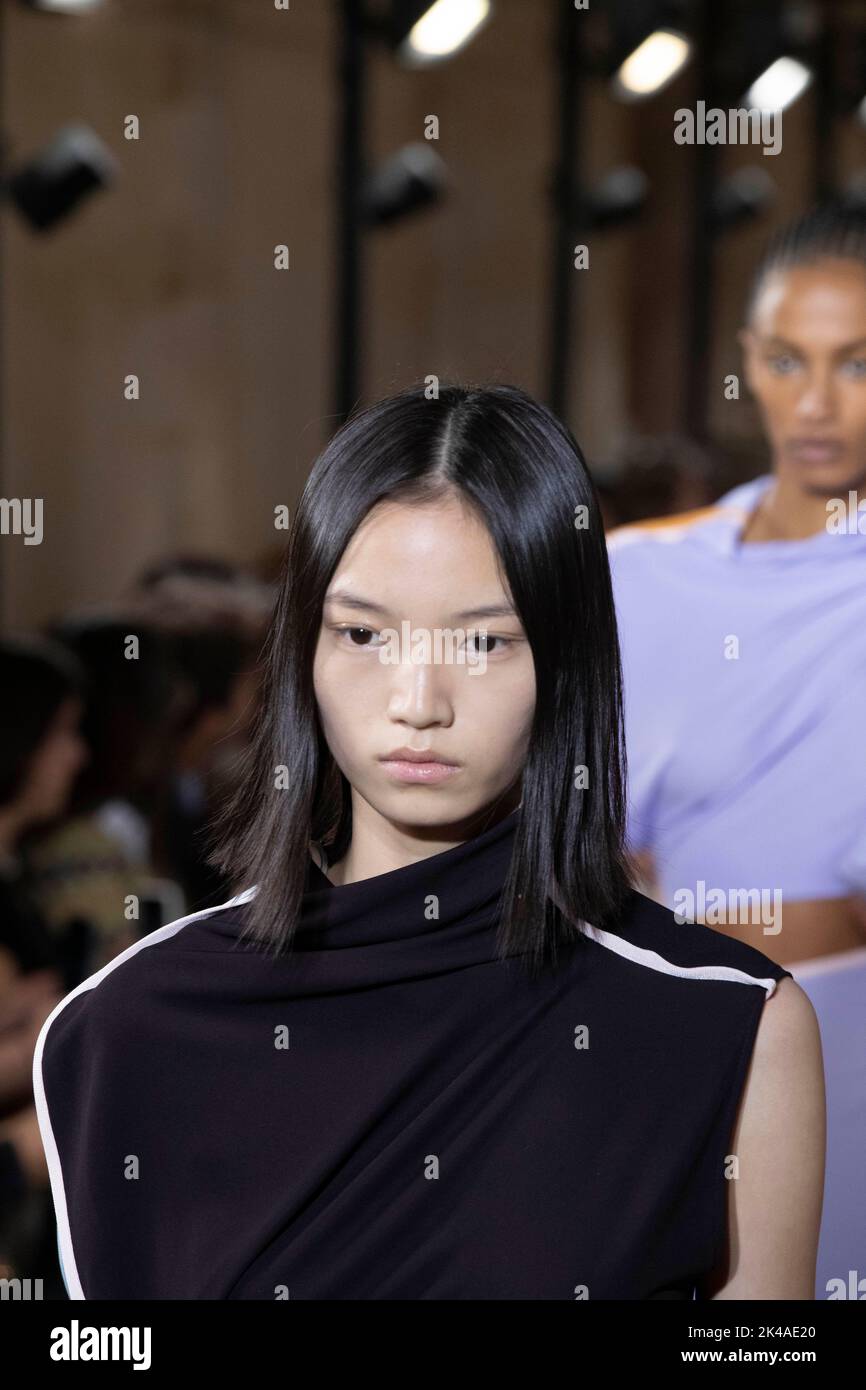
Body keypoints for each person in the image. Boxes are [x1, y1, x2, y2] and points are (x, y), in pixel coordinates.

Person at [33, 383, 823, 1300]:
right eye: (363, 633)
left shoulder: (722, 1024)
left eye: (484, 644)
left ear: (568, 662)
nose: (417, 702)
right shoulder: (133, 1022)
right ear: (304, 651)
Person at [608, 202, 866, 966]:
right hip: (645, 1028)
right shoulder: (638, 573)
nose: (816, 403)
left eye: (857, 363)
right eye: (788, 360)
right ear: (750, 361)